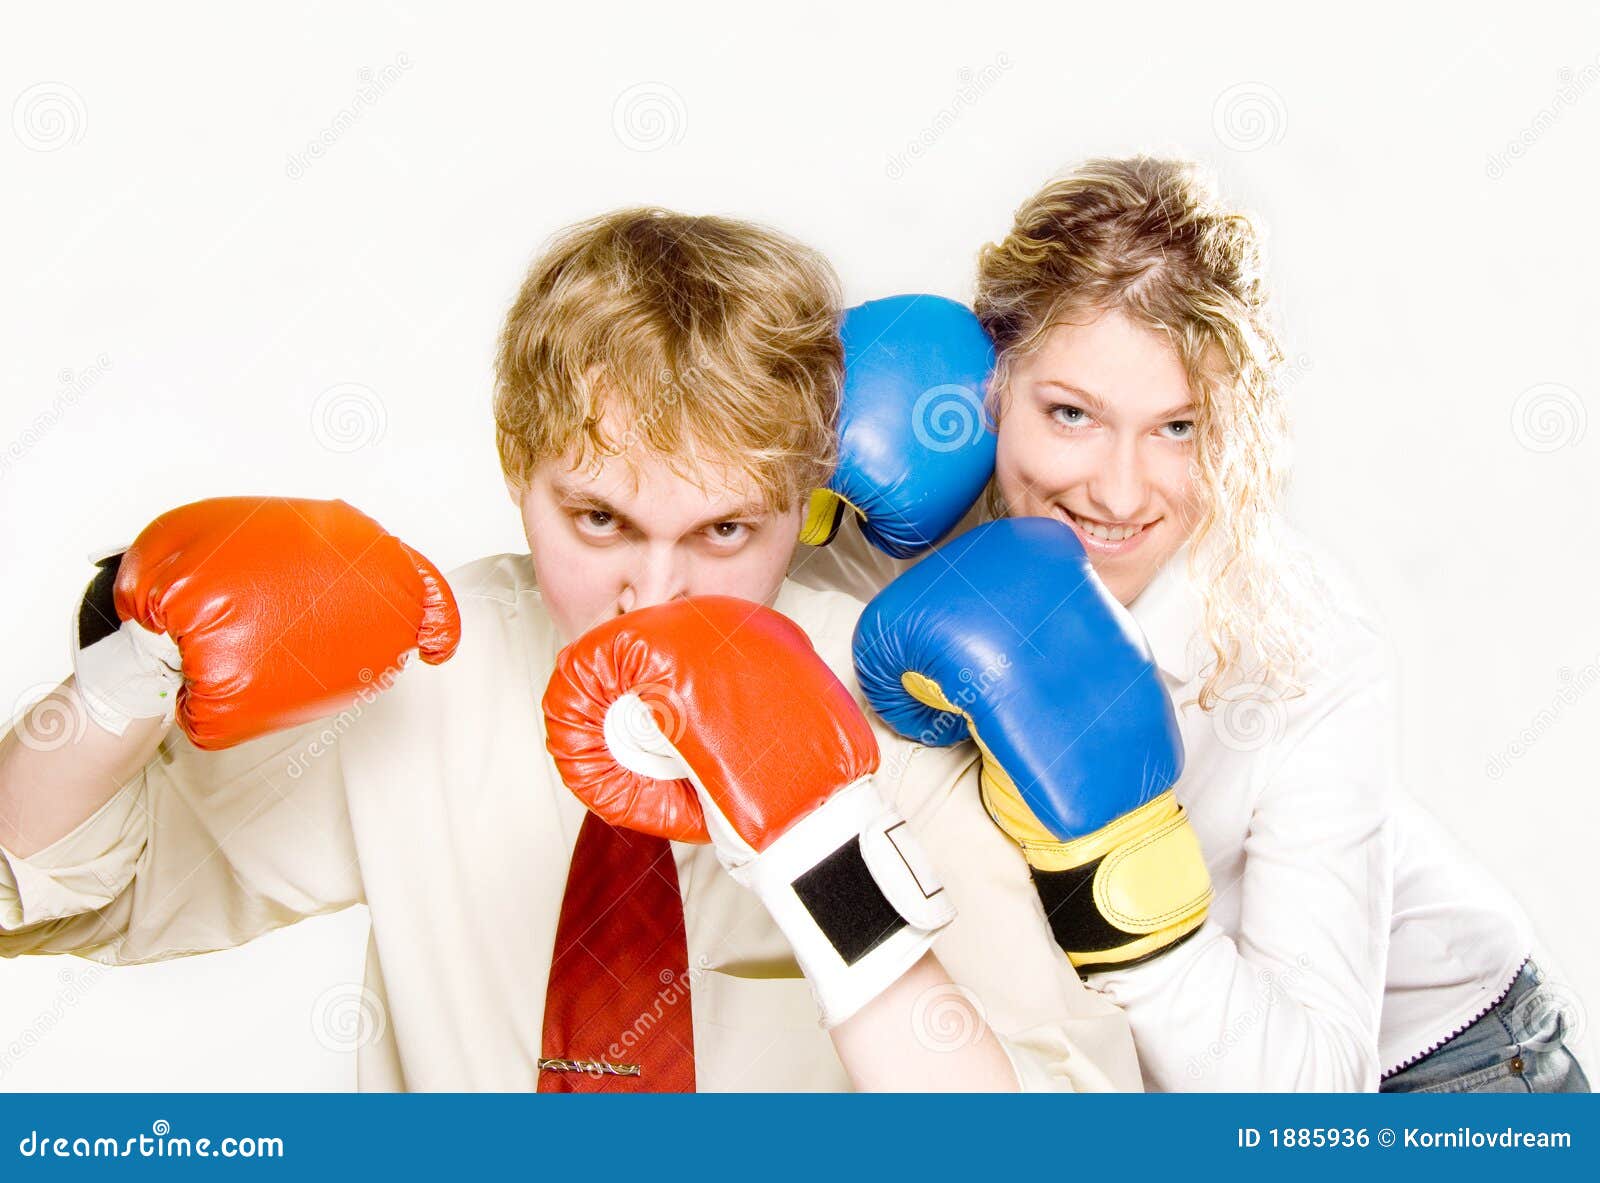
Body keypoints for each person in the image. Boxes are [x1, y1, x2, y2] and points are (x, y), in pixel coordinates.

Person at [0, 208, 1138, 1092]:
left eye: (724, 530)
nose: (652, 591)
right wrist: (129, 666)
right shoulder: (418, 668)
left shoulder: (893, 709)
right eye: (600, 521)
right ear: (516, 467)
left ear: (801, 498)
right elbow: (54, 889)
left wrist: (827, 871)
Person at [793, 157, 1589, 1093]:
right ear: (990, 388)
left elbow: (1314, 1104)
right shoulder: (911, 518)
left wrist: (1117, 872)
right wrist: (788, 492)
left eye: (1180, 427)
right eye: (1071, 413)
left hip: (1451, 1069)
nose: (1119, 493)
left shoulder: (1302, 643)